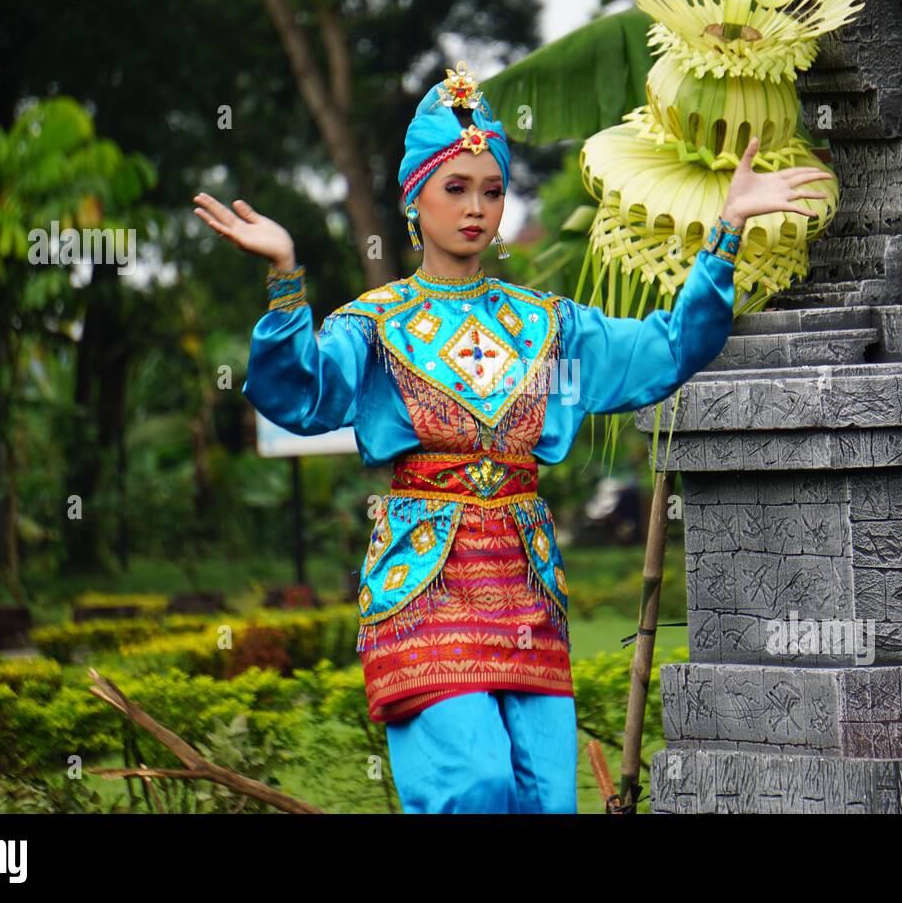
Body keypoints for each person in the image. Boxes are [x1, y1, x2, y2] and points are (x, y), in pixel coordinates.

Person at [193, 60, 831, 814]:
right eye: (454, 188)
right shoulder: (374, 323)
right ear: (413, 200)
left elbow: (663, 349)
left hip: (526, 585)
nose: (476, 208)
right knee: (474, 785)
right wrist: (284, 273)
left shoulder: (548, 325)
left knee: (544, 800)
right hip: (423, 583)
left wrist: (726, 232)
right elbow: (298, 393)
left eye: (492, 190)